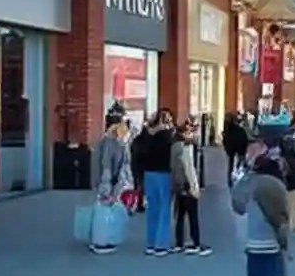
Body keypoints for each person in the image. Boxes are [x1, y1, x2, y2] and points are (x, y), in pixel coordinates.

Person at [232, 155, 293, 276]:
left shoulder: (250, 185)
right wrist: (286, 246)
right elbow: (282, 222)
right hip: (272, 247)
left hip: (253, 247)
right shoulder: (276, 188)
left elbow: (238, 207)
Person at [90, 115, 131, 255]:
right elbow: (107, 166)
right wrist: (107, 189)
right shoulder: (111, 143)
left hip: (106, 181)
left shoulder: (108, 141)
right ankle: (101, 241)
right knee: (104, 212)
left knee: (103, 211)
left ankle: (101, 239)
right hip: (106, 182)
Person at [138, 109, 177, 256]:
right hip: (163, 173)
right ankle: (162, 244)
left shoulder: (146, 135)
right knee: (164, 209)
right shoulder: (168, 137)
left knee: (152, 209)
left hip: (148, 174)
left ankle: (151, 243)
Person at [171, 122, 211, 256]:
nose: (193, 135)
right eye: (190, 132)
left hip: (178, 186)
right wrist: (194, 187)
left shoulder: (173, 148)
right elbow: (189, 169)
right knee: (193, 216)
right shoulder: (184, 149)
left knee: (180, 216)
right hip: (187, 186)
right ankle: (196, 243)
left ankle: (179, 242)